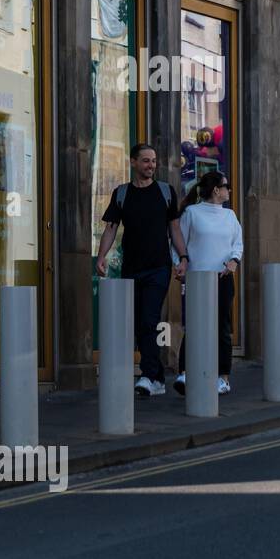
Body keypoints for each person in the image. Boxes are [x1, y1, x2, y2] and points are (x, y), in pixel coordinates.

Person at [96, 143, 189, 397]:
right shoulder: (121, 193)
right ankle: (156, 377)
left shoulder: (166, 192)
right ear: (133, 162)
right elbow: (111, 228)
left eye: (154, 161)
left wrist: (183, 257)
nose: (151, 166)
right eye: (146, 161)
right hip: (131, 268)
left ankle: (148, 375)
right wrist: (101, 256)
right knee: (139, 324)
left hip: (158, 267)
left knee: (149, 320)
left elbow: (175, 229)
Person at [173, 171, 243, 396]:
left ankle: (223, 378)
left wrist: (233, 261)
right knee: (193, 327)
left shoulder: (230, 216)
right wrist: (179, 265)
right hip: (197, 278)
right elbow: (177, 243)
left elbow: (238, 244)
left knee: (222, 329)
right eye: (226, 186)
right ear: (216, 190)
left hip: (222, 279)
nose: (229, 190)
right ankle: (185, 373)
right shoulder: (192, 213)